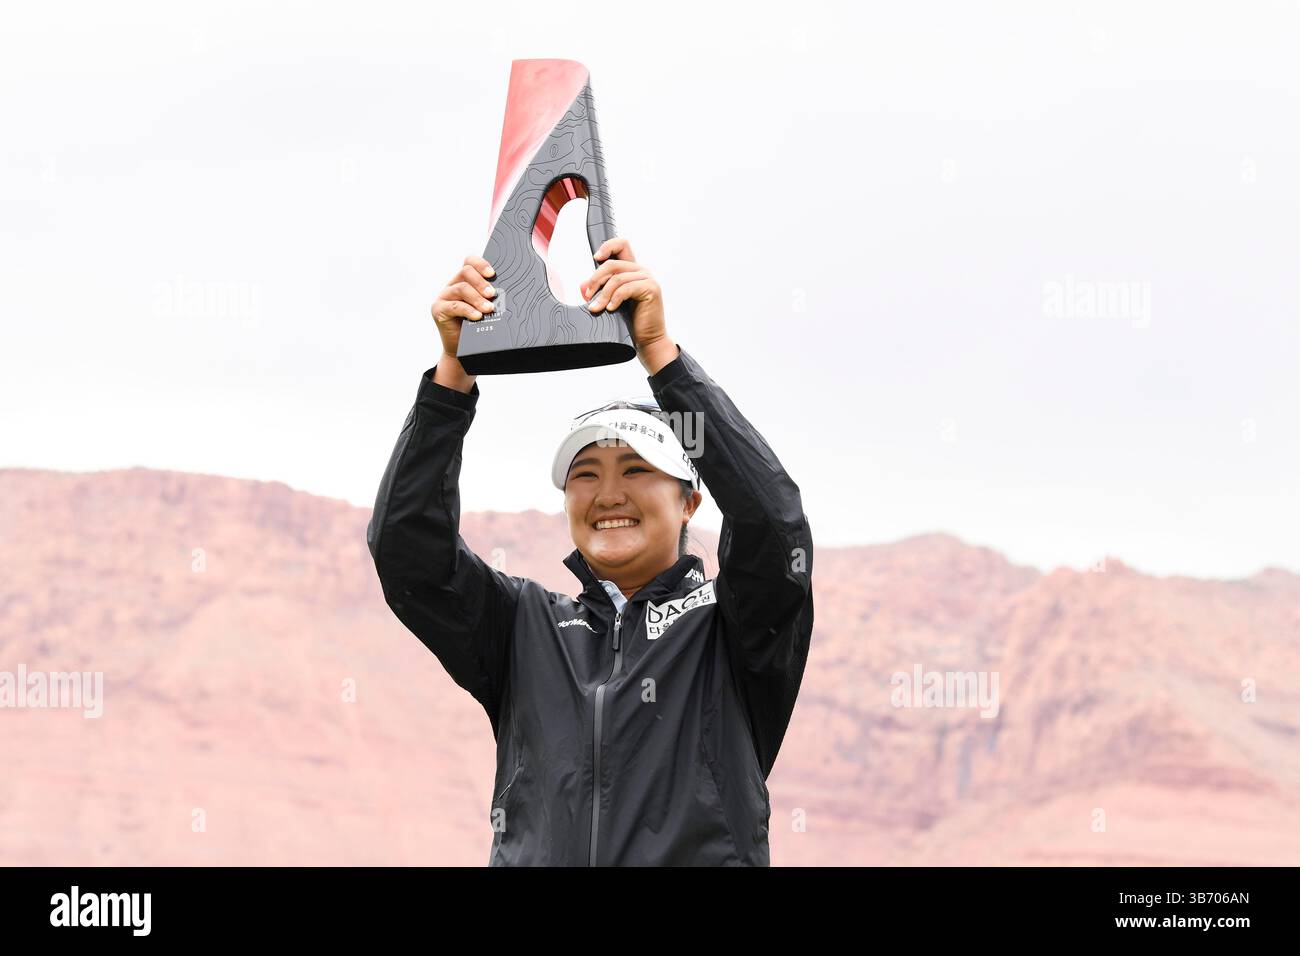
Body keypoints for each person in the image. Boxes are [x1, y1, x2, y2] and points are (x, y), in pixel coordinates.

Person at [366, 237, 814, 866]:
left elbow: (774, 522)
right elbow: (407, 551)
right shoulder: (523, 626)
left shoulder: (735, 629)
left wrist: (660, 356)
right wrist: (454, 370)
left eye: (636, 469)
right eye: (585, 473)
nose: (608, 494)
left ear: (690, 501)